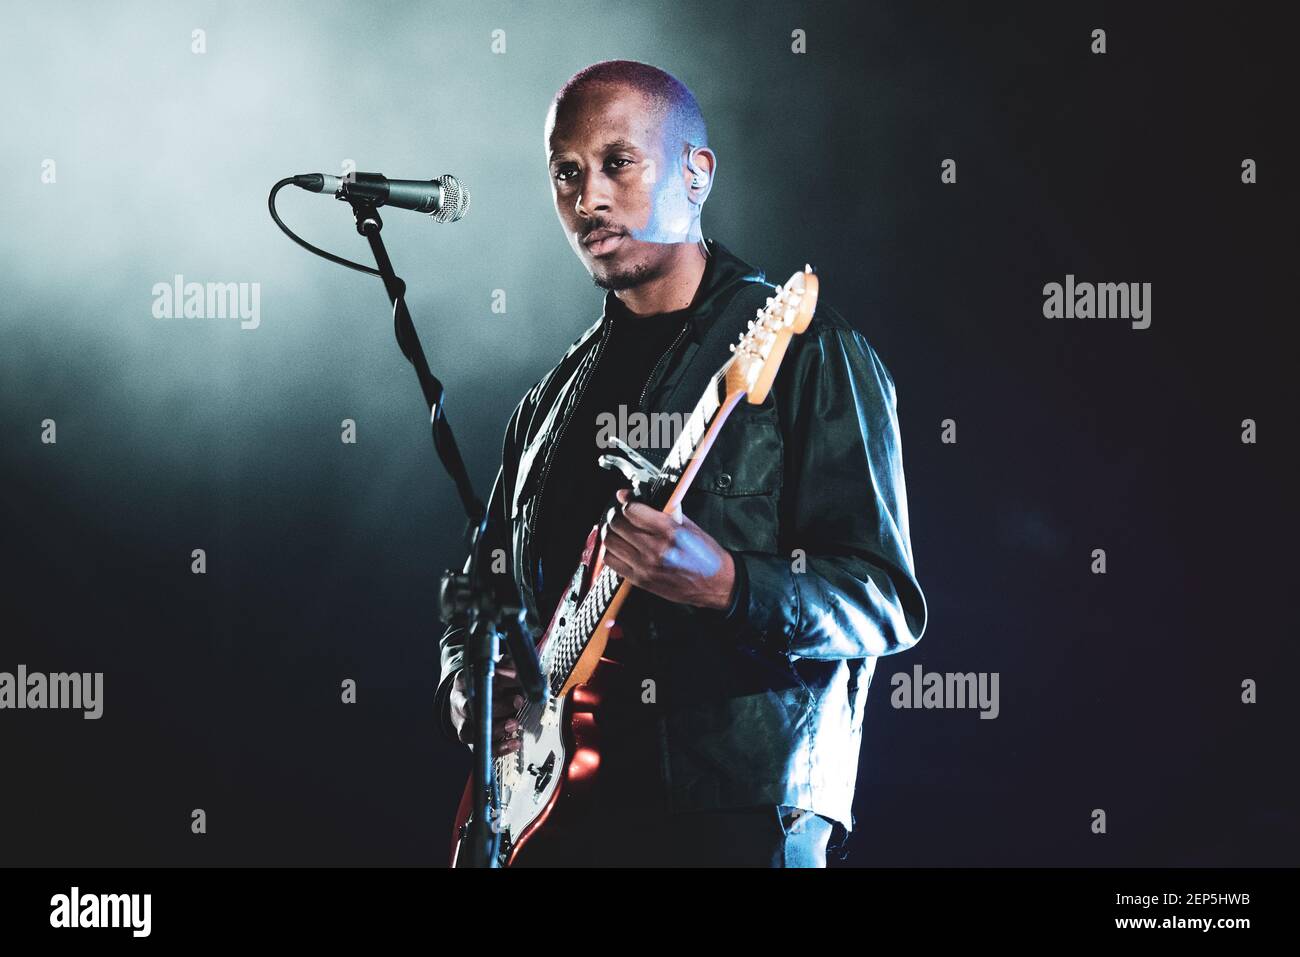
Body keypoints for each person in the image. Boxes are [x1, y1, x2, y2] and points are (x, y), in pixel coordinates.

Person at [434, 59, 927, 867]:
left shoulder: (805, 349)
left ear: (696, 173)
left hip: (730, 815)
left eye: (617, 163)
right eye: (566, 173)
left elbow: (885, 602)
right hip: (553, 821)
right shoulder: (545, 406)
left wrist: (729, 585)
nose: (588, 197)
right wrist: (471, 688)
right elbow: (475, 594)